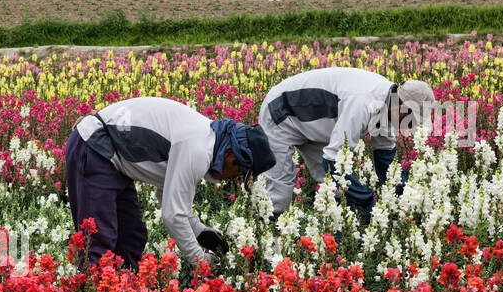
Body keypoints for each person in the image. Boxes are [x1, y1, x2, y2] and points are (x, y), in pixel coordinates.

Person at [65, 96, 275, 274]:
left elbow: (166, 196)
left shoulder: (204, 139)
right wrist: (201, 264)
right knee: (99, 242)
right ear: (231, 154)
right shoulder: (198, 149)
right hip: (95, 147)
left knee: (131, 237)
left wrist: (200, 231)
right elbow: (173, 215)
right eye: (238, 172)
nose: (234, 179)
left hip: (112, 158)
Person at [259, 67, 435, 224]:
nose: (411, 127)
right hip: (282, 111)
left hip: (313, 120)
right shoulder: (363, 102)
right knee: (279, 193)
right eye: (410, 120)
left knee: (335, 189)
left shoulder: (388, 102)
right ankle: (264, 234)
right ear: (401, 107)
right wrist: (366, 200)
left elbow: (385, 155)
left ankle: (338, 233)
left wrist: (402, 194)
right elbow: (334, 159)